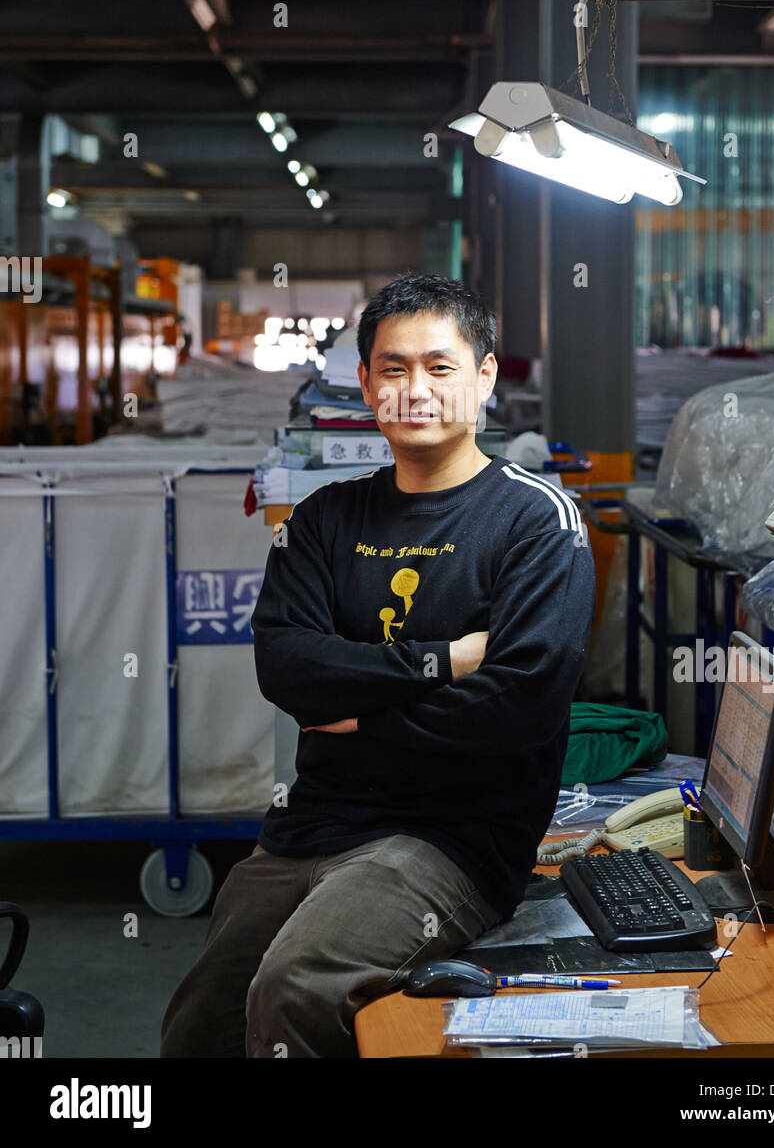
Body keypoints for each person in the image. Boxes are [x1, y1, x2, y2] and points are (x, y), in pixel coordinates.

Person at [160, 272, 595, 1058]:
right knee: (202, 1026)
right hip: (312, 823)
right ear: (364, 383)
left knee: (295, 989)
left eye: (439, 367)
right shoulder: (326, 518)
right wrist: (441, 661)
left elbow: (519, 704)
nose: (415, 389)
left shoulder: (535, 521)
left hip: (451, 840)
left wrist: (355, 708)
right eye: (393, 369)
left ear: (484, 377)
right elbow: (288, 669)